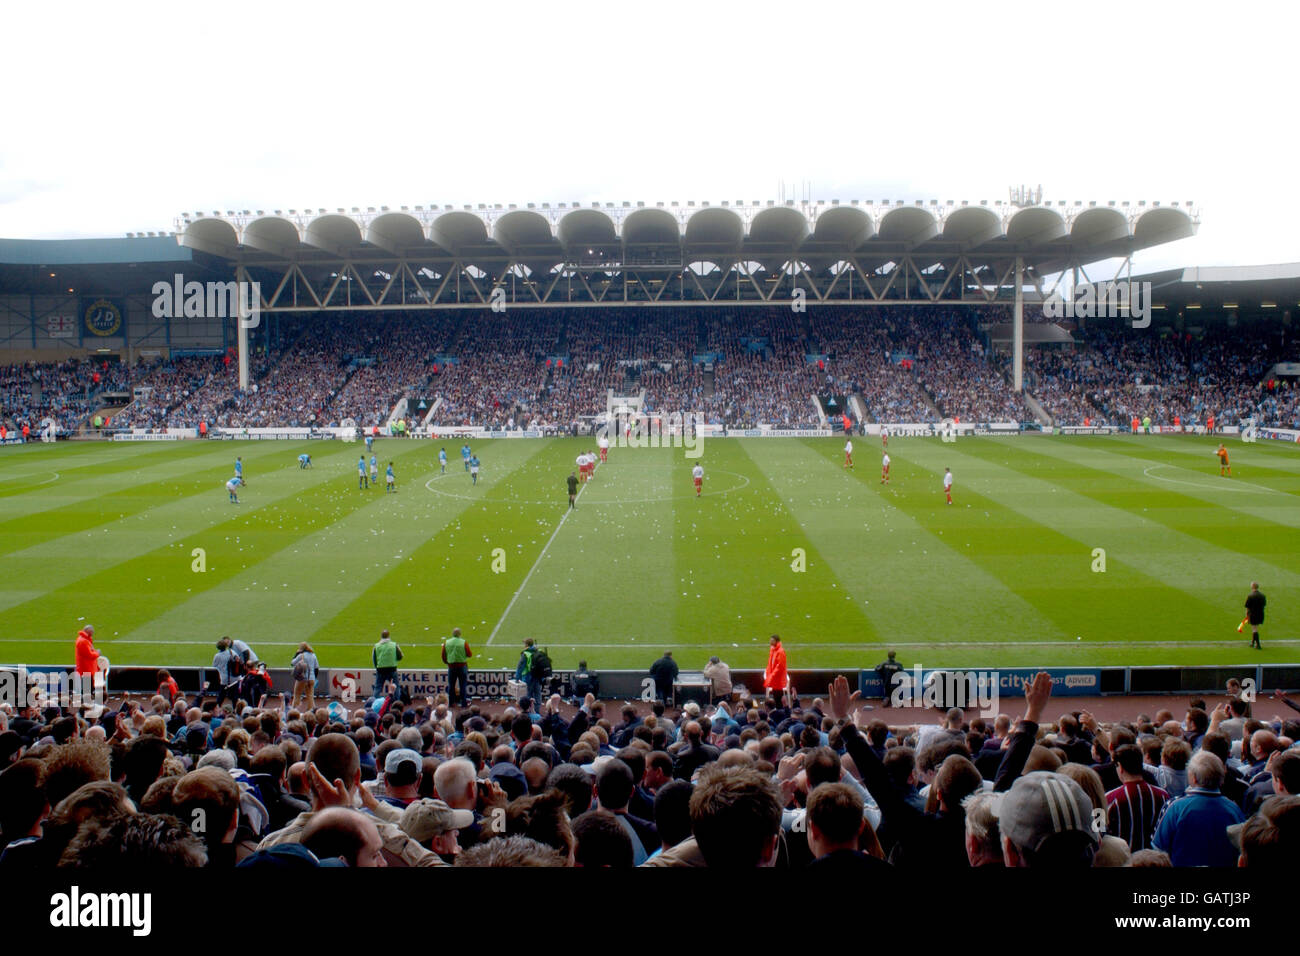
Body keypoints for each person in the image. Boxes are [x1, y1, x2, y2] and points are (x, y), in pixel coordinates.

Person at [1151, 752, 1245, 867]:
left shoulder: (1175, 807)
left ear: (1194, 778)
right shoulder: (1234, 809)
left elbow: (1158, 849)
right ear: (1221, 779)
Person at [442, 627, 472, 707]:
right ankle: (463, 703)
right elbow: (469, 654)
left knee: (451, 686)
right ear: (460, 634)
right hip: (462, 666)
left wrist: (447, 662)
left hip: (451, 666)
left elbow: (443, 655)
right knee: (462, 685)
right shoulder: (463, 642)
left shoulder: (447, 642)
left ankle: (451, 703)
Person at [372, 630, 403, 695]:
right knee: (396, 686)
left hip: (380, 669)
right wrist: (394, 660)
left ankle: (375, 701)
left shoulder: (376, 646)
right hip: (392, 668)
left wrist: (377, 668)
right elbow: (400, 656)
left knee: (378, 687)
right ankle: (396, 702)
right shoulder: (394, 645)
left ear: (381, 636)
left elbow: (374, 659)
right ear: (389, 636)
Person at [291, 642, 319, 712]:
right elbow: (316, 668)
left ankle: (294, 711)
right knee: (310, 697)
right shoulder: (313, 655)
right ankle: (312, 712)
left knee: (297, 695)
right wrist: (314, 678)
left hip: (303, 678)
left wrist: (296, 653)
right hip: (311, 678)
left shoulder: (301, 655)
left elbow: (292, 663)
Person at [516, 638, 542, 704]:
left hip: (528, 677)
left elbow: (520, 667)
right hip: (537, 677)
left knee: (528, 694)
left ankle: (528, 711)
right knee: (537, 694)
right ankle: (536, 711)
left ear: (527, 644)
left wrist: (517, 678)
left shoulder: (526, 654)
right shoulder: (538, 651)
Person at [763, 635, 788, 700]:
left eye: (772, 640)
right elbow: (770, 662)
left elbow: (780, 666)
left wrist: (772, 675)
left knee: (778, 695)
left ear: (776, 641)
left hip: (777, 678)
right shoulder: (773, 649)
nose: (770, 642)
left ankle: (780, 708)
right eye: (770, 640)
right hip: (774, 677)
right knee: (775, 694)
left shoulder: (780, 651)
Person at [1244, 581, 1265, 649]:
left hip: (1253, 614)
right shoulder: (1262, 595)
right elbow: (1264, 605)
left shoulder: (1250, 596)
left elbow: (1247, 607)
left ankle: (1258, 644)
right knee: (1255, 628)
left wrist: (1247, 614)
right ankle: (1253, 643)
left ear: (1252, 586)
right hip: (1260, 614)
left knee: (1254, 629)